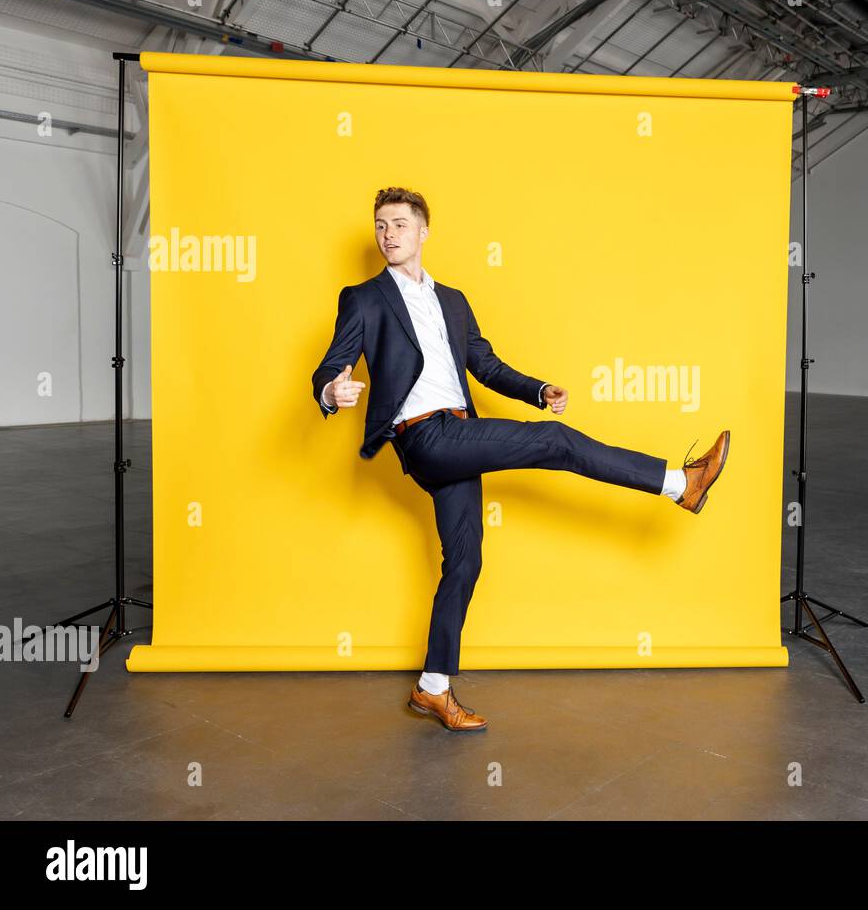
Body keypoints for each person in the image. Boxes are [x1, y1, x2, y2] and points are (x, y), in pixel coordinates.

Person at [312, 186, 730, 732]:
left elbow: (484, 364)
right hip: (424, 438)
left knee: (464, 563)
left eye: (398, 224)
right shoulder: (364, 298)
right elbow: (330, 366)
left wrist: (538, 390)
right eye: (380, 226)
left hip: (458, 437)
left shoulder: (452, 299)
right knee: (555, 444)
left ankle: (432, 688)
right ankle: (679, 483)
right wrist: (332, 393)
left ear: (423, 232)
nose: (387, 235)